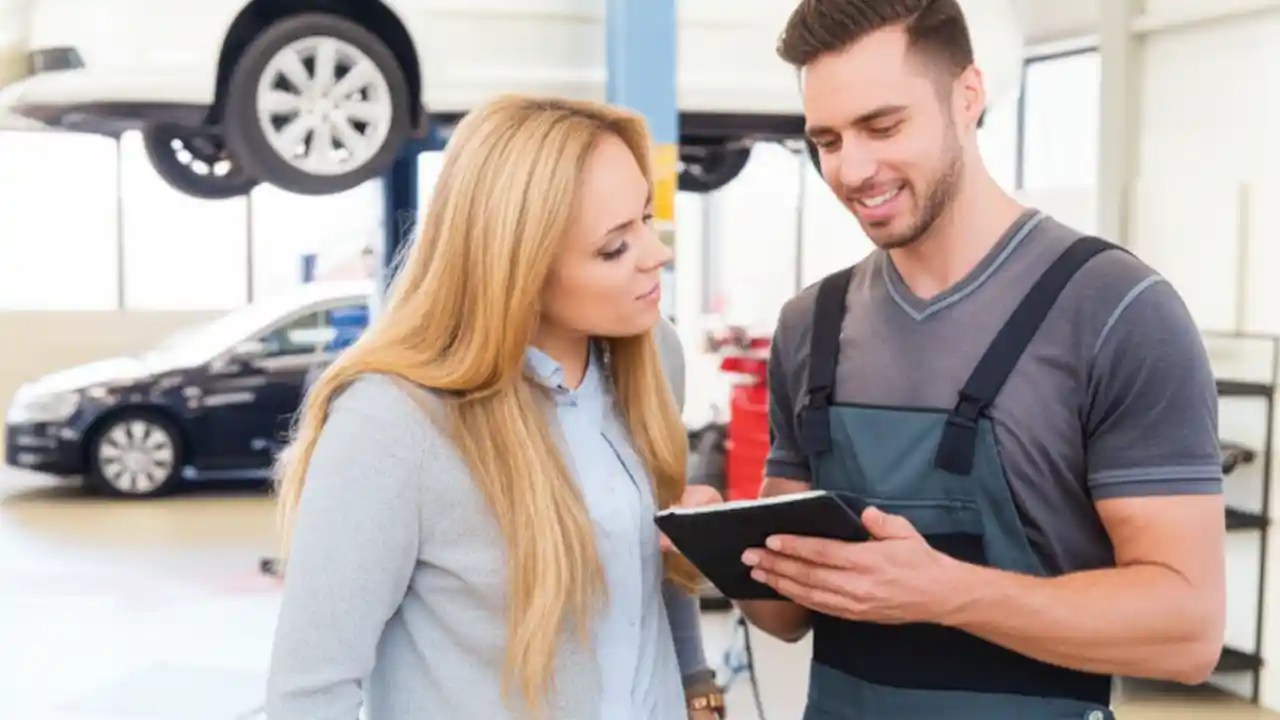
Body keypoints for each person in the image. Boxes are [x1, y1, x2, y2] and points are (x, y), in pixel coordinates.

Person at [679, 1, 1227, 718]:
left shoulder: (1116, 311)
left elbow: (1186, 634)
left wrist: (945, 592)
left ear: (967, 95)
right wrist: (711, 549)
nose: (853, 169)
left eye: (883, 126)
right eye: (828, 139)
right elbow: (787, 615)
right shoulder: (811, 324)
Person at [264, 94, 725, 720]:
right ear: (520, 267)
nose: (656, 253)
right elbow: (310, 694)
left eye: (646, 218)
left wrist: (698, 677)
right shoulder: (394, 421)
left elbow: (654, 571)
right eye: (614, 247)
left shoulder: (652, 358)